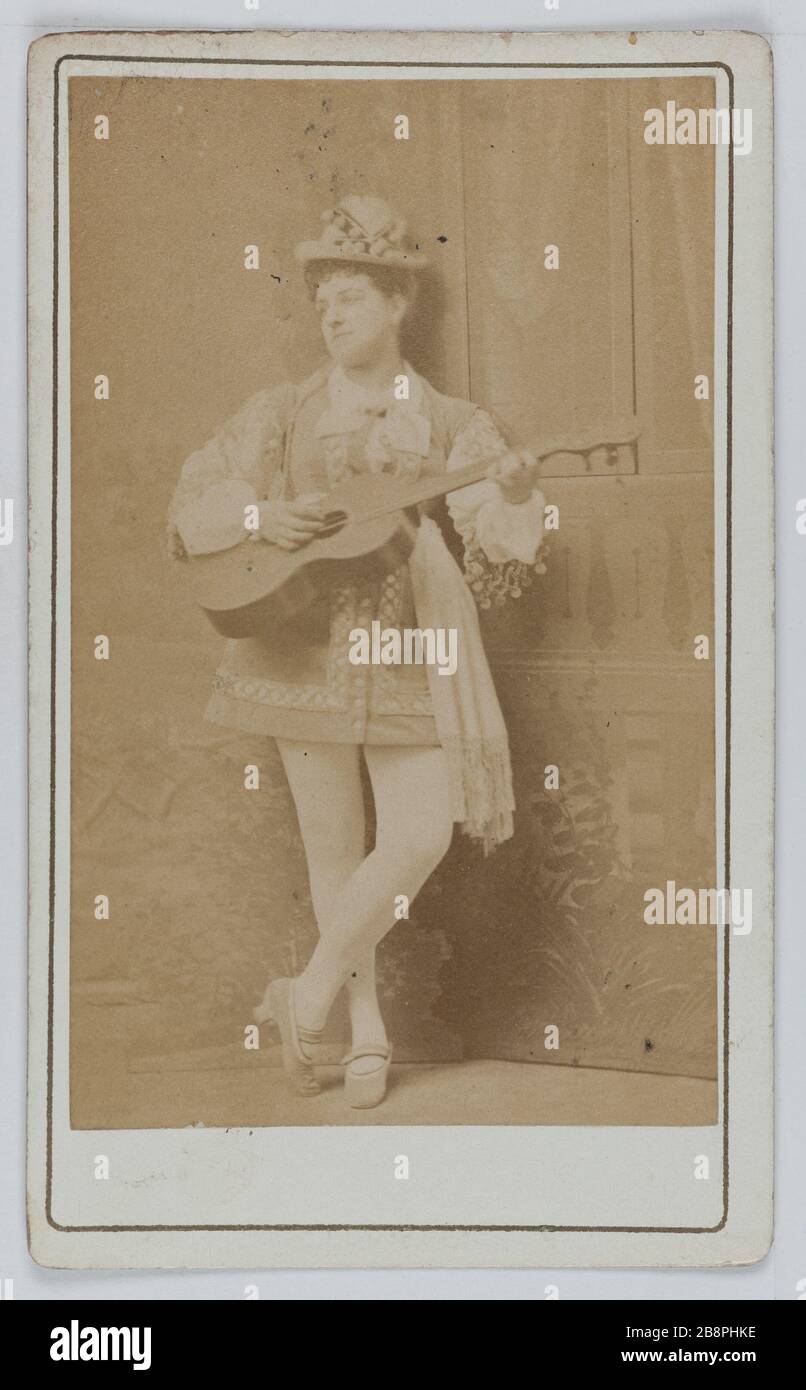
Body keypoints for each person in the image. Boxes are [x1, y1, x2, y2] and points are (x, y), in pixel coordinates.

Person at [166, 195, 547, 1108]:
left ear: (398, 304)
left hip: (408, 642)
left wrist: (520, 493)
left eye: (351, 297)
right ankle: (364, 1034)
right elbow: (195, 503)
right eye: (323, 300)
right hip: (295, 649)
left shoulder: (453, 419)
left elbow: (499, 555)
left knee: (416, 835)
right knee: (333, 857)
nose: (332, 315)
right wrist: (266, 512)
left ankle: (302, 995)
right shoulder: (282, 411)